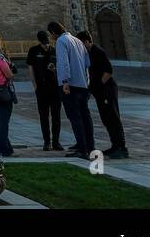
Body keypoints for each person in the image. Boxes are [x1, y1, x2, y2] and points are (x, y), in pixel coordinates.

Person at [78, 30, 129, 159]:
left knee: (113, 117)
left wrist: (100, 85)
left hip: (107, 90)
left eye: (81, 43)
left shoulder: (98, 52)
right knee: (106, 118)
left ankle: (122, 147)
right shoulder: (88, 53)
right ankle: (115, 145)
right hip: (99, 92)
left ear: (86, 41)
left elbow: (108, 71)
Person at [49, 20, 95, 159]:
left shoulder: (61, 41)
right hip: (82, 84)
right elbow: (87, 63)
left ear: (53, 32)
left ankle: (82, 149)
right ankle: (90, 146)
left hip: (70, 85)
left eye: (50, 34)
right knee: (85, 117)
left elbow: (64, 63)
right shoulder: (77, 41)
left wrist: (64, 81)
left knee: (75, 118)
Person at [25, 30, 64, 152]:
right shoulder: (34, 51)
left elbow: (61, 67)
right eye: (44, 43)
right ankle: (47, 142)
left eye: (47, 42)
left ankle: (56, 141)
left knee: (56, 115)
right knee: (44, 116)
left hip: (54, 87)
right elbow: (31, 68)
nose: (46, 45)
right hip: (41, 87)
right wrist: (35, 85)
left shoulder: (54, 50)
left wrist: (55, 69)